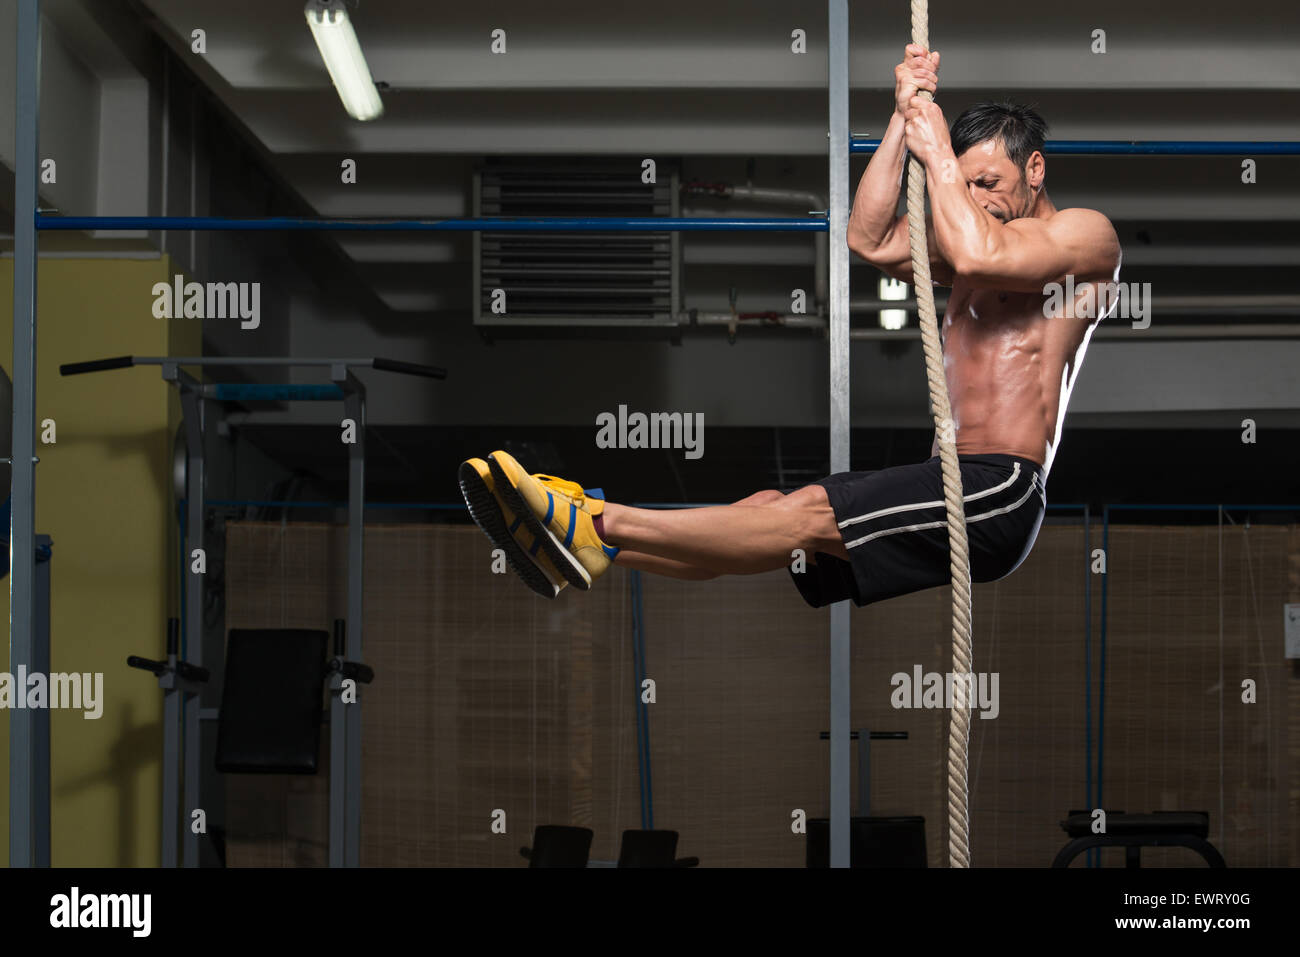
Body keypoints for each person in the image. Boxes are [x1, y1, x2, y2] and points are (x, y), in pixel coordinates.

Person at [460, 44, 1121, 606]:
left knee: (804, 510)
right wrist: (901, 121)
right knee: (773, 514)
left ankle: (591, 516)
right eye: (968, 186)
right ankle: (589, 551)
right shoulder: (965, 239)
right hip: (951, 483)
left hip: (999, 489)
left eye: (989, 182)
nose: (974, 198)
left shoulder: (1083, 238)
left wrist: (940, 153)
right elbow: (865, 238)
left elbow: (984, 253)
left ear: (1035, 169)